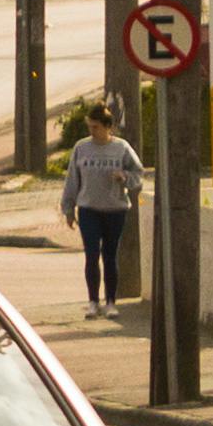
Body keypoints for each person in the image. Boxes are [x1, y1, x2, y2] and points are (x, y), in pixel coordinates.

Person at [61, 104, 147, 312]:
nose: (92, 131)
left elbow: (138, 175)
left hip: (114, 209)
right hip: (89, 208)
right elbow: (72, 179)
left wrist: (124, 177)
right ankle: (93, 301)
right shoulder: (82, 148)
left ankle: (110, 302)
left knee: (110, 255)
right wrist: (69, 208)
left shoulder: (121, 148)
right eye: (90, 127)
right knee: (91, 254)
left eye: (96, 127)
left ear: (108, 127)